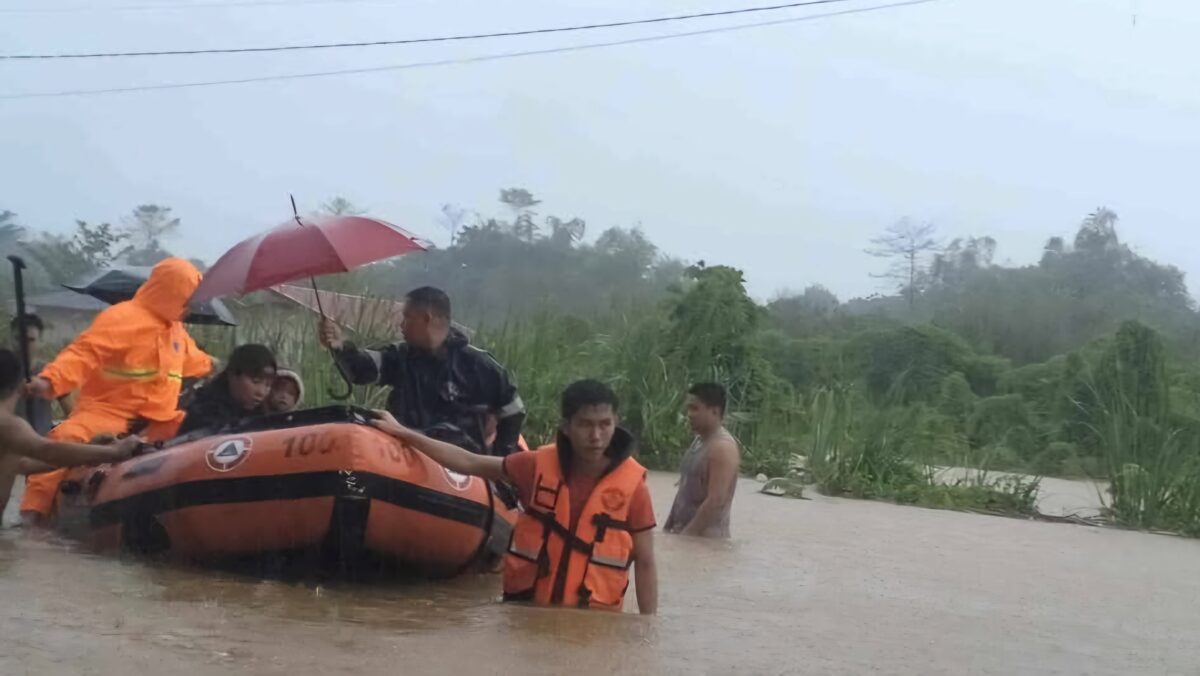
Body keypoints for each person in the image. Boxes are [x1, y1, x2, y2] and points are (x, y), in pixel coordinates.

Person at [370, 379, 658, 614]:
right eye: (585, 424)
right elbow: (468, 462)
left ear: (616, 423)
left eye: (605, 424)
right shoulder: (534, 466)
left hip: (594, 629)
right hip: (529, 617)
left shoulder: (633, 487)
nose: (596, 435)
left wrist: (648, 630)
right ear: (567, 427)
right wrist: (404, 433)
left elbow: (645, 563)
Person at [19, 257, 214, 526]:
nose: (191, 307)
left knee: (204, 428)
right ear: (174, 292)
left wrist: (215, 366)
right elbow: (84, 353)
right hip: (107, 414)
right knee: (65, 437)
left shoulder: (177, 332)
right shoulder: (122, 317)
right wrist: (49, 381)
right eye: (189, 300)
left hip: (160, 421)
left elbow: (195, 361)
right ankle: (32, 516)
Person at [319, 286, 525, 456]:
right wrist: (340, 346)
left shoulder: (479, 365)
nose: (401, 325)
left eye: (407, 317)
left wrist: (501, 460)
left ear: (427, 318)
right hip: (404, 457)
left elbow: (513, 410)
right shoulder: (401, 356)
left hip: (459, 469)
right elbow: (360, 369)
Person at [0, 349, 142, 517]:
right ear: (19, 385)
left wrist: (90, 449)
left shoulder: (9, 437)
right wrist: (114, 452)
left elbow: (24, 464)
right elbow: (47, 451)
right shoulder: (9, 425)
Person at [663, 382, 741, 539]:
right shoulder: (699, 441)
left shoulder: (722, 448)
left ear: (715, 411)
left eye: (694, 408)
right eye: (688, 408)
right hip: (684, 536)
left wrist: (687, 535)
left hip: (707, 542)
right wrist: (667, 529)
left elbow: (716, 501)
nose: (689, 414)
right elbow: (684, 492)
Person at [178, 344, 276, 435]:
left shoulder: (264, 418)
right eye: (255, 381)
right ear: (232, 375)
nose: (261, 392)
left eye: (268, 385)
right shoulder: (202, 411)